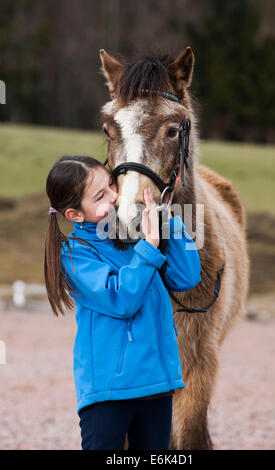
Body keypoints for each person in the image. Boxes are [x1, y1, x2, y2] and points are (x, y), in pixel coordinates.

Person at [44, 155, 201, 450]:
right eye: (101, 196)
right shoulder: (75, 254)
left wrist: (167, 217)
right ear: (75, 215)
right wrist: (149, 247)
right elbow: (121, 299)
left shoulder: (134, 237)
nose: (116, 196)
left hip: (158, 384)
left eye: (112, 185)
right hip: (110, 393)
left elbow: (187, 277)